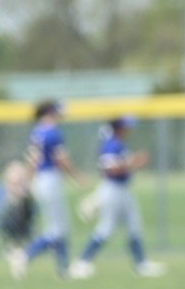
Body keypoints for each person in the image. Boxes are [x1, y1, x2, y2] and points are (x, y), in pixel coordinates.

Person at [68, 117, 165, 279]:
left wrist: (132, 163)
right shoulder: (111, 145)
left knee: (135, 225)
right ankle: (82, 262)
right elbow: (110, 170)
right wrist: (134, 162)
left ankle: (141, 263)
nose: (129, 130)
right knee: (106, 228)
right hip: (112, 189)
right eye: (126, 127)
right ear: (119, 128)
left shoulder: (119, 143)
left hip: (122, 190)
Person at [10, 100, 82, 280]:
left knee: (61, 226)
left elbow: (32, 161)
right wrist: (76, 176)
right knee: (57, 229)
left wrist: (26, 181)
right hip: (50, 179)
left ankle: (63, 268)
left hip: (41, 180)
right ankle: (25, 255)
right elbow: (61, 159)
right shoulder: (53, 132)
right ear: (50, 113)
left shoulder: (37, 132)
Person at [0, 159, 36, 257]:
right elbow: (4, 204)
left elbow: (29, 200)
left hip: (24, 220)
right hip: (9, 219)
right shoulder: (4, 188)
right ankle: (14, 246)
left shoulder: (26, 188)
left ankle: (19, 247)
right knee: (15, 209)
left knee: (22, 206)